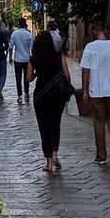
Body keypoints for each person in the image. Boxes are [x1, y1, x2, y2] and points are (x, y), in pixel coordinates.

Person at [80, 20, 110, 164]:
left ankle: (101, 155)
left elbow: (87, 71)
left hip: (97, 91)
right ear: (104, 31)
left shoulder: (91, 48)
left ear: (94, 31)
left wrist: (85, 91)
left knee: (99, 121)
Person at [29, 27, 73, 174]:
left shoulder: (34, 57)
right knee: (55, 124)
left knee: (44, 127)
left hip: (40, 95)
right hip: (57, 95)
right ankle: (55, 153)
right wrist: (67, 88)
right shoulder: (58, 55)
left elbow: (28, 78)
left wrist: (37, 73)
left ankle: (48, 162)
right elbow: (66, 74)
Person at [9, 15, 34, 104]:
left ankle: (19, 96)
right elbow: (31, 48)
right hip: (27, 59)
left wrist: (10, 57)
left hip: (18, 59)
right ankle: (26, 93)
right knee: (26, 77)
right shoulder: (29, 34)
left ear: (19, 24)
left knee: (18, 78)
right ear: (25, 24)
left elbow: (11, 47)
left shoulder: (14, 34)